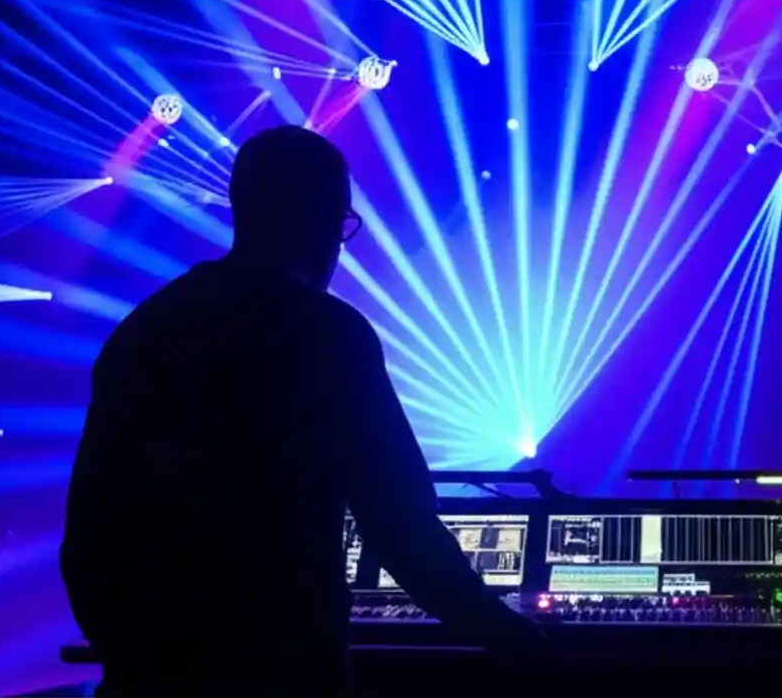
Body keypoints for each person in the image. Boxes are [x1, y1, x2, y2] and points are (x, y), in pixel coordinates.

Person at [61, 125, 543, 696]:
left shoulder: (146, 329)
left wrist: (133, 654)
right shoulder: (329, 334)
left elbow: (88, 530)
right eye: (343, 222)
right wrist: (514, 639)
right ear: (322, 218)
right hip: (285, 667)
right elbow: (399, 526)